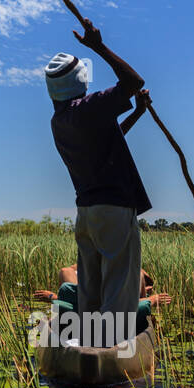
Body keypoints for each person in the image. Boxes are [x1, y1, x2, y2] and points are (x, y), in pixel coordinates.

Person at [45, 18, 152, 347]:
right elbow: (134, 80)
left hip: (87, 213)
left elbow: (108, 142)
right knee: (118, 292)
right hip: (114, 209)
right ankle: (107, 359)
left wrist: (136, 113)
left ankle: (84, 350)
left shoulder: (61, 120)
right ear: (81, 82)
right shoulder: (88, 107)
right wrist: (97, 46)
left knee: (90, 292)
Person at [33, 265, 172, 336]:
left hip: (101, 315)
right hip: (96, 310)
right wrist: (152, 299)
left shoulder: (137, 281)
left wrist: (53, 297)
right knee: (66, 273)